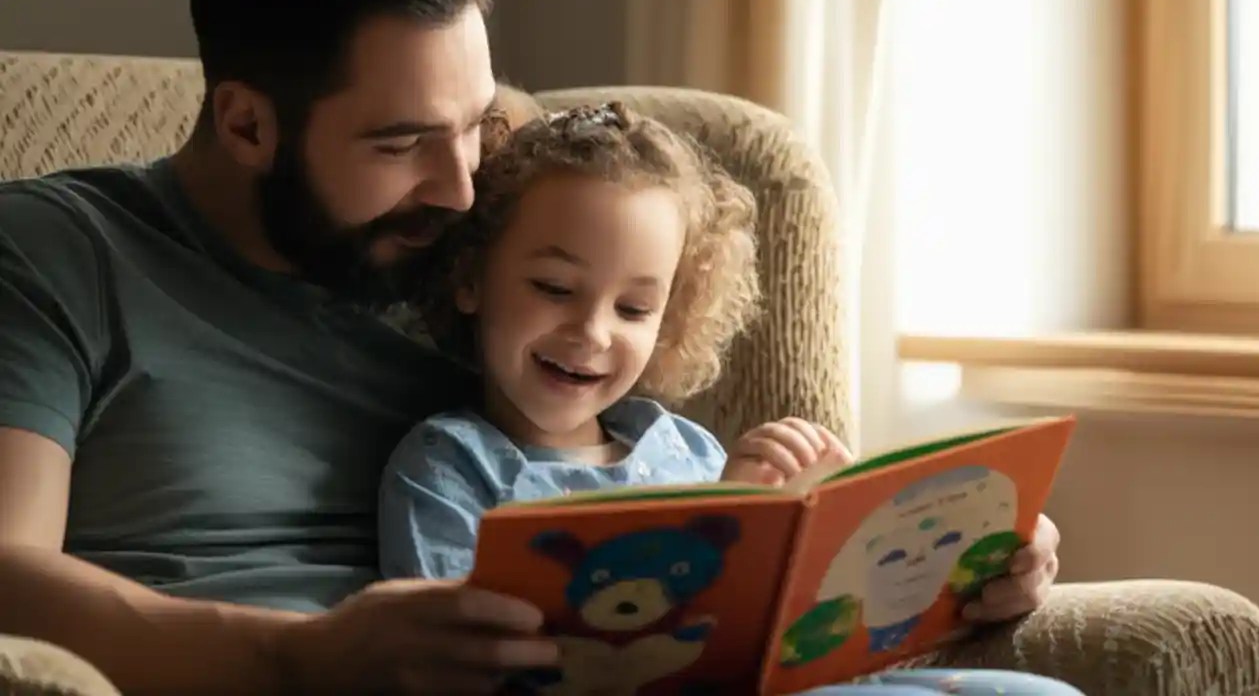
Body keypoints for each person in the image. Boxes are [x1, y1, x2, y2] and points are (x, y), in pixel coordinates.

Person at [0, 0, 1061, 694]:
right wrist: (307, 656)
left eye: (473, 128)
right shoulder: (59, 253)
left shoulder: (485, 254)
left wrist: (955, 563)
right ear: (244, 124)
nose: (461, 185)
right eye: (405, 141)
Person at [375, 103, 1082, 696]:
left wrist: (982, 559)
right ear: (470, 278)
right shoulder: (447, 465)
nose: (591, 333)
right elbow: (458, 667)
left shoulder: (686, 449)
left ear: (671, 318)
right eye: (555, 289)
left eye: (633, 308)